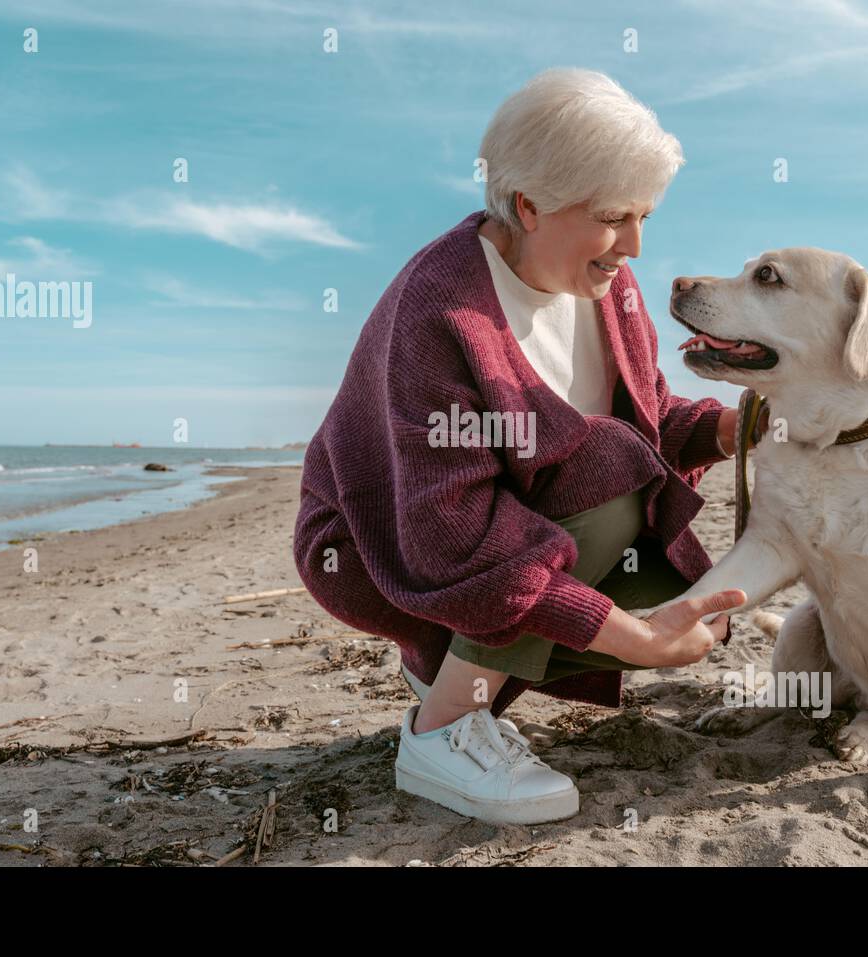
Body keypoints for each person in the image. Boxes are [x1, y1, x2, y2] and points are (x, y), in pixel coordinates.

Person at [293, 67, 749, 825]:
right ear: (528, 205)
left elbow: (647, 414)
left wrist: (737, 427)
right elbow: (456, 530)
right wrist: (629, 638)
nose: (634, 246)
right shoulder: (440, 314)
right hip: (386, 545)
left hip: (522, 535)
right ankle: (441, 729)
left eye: (644, 216)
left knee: (694, 608)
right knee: (606, 479)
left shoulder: (612, 288)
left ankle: (455, 665)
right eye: (613, 217)